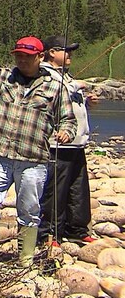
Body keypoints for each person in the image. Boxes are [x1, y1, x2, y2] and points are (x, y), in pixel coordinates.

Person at [0, 36, 76, 266]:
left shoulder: (55, 87)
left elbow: (68, 120)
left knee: (29, 209)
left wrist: (66, 132)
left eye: (27, 56)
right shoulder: (2, 78)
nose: (22, 60)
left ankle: (25, 259)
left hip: (33, 159)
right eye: (18, 56)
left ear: (40, 57)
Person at [39, 35, 97, 245]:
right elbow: (50, 95)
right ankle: (50, 232)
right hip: (57, 143)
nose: (70, 54)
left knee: (77, 188)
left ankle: (77, 229)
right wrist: (75, 86)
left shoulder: (66, 76)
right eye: (66, 50)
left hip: (77, 142)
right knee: (56, 191)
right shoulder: (44, 73)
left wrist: (86, 102)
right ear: (52, 52)